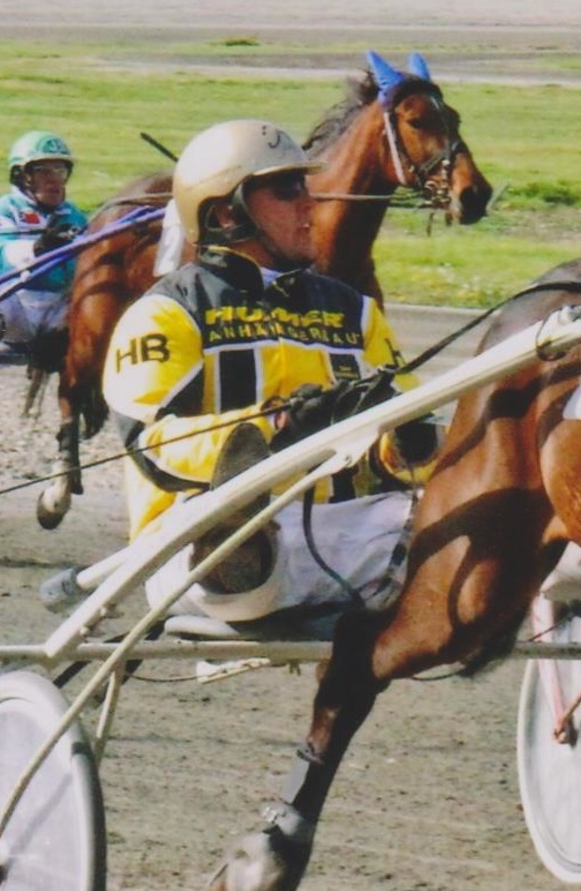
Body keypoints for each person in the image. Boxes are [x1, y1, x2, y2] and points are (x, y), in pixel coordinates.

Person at [103, 119, 439, 626]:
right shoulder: (167, 314)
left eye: (304, 187)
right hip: (192, 542)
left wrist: (408, 444)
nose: (310, 203)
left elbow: (411, 439)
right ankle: (236, 544)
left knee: (467, 514)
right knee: (236, 537)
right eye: (286, 191)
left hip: (342, 536)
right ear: (225, 213)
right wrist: (274, 429)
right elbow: (154, 446)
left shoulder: (356, 313)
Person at [0, 130, 88, 350]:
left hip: (60, 308)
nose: (54, 180)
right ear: (21, 176)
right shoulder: (1, 211)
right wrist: (36, 248)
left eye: (60, 170)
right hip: (16, 304)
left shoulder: (76, 217)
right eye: (43, 172)